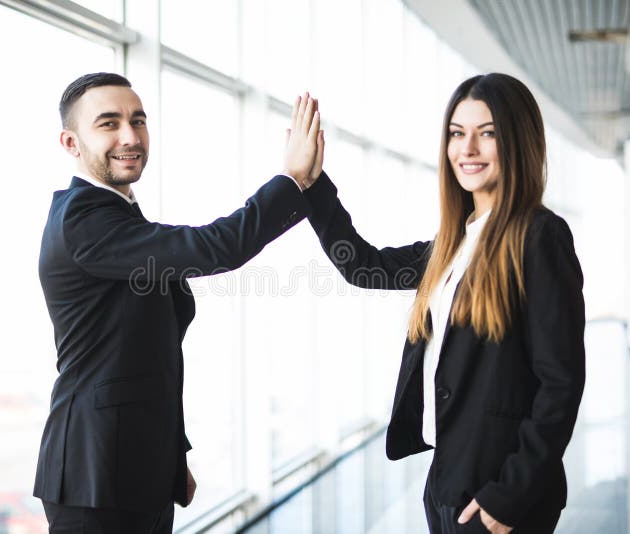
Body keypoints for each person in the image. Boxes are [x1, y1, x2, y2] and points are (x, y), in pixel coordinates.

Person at [33, 72, 323, 533]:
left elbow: (148, 358)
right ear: (71, 143)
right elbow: (214, 246)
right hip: (94, 476)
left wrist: (170, 457)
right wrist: (291, 180)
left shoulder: (120, 215)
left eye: (138, 120)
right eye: (108, 123)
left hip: (134, 464)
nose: (130, 136)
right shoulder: (84, 220)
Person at [303, 73, 585, 533]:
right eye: (457, 133)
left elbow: (561, 383)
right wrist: (312, 184)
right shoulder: (454, 244)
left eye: (487, 133)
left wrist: (509, 496)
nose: (467, 148)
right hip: (448, 478)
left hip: (499, 490)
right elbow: (362, 265)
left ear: (518, 140)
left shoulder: (539, 237)